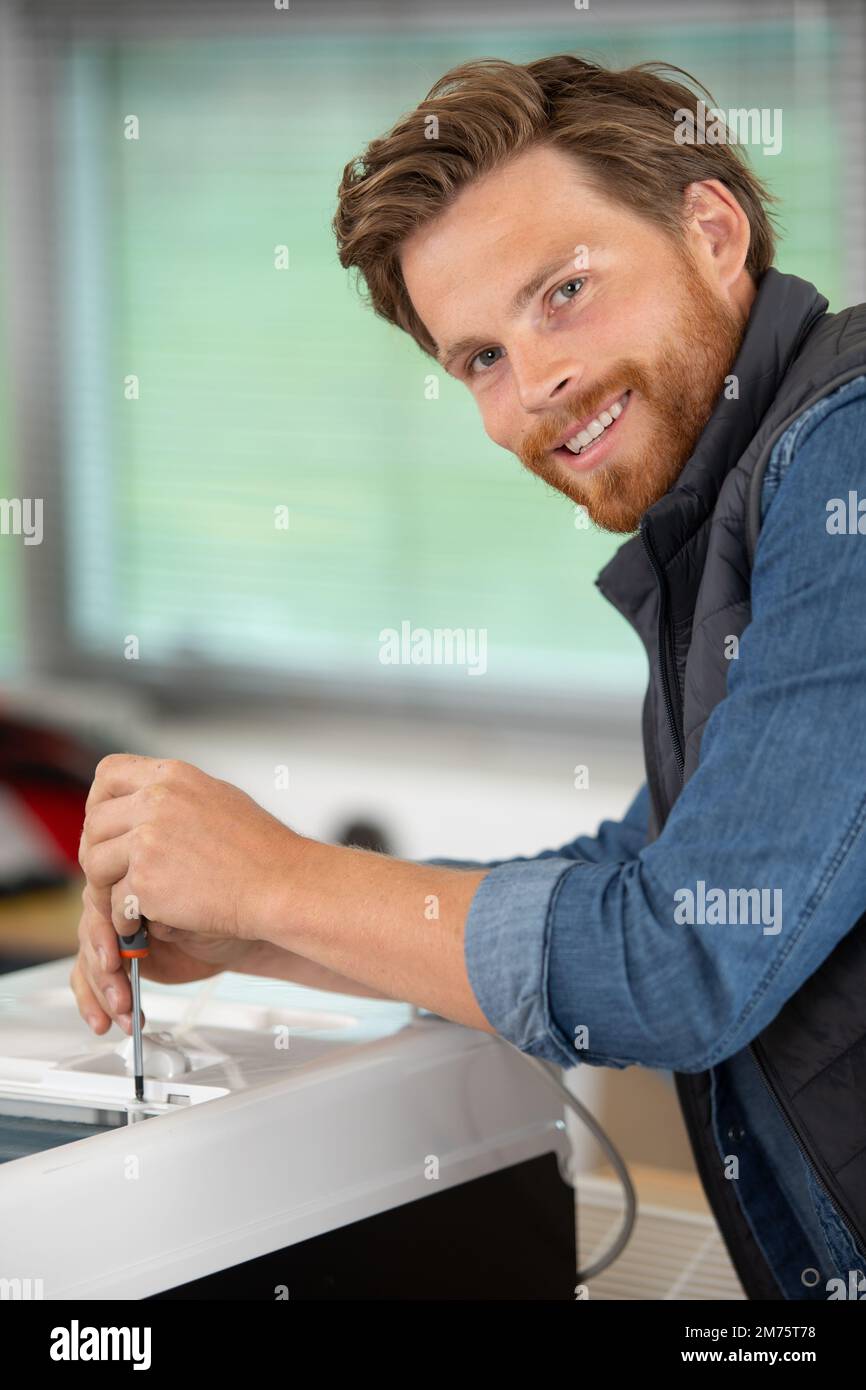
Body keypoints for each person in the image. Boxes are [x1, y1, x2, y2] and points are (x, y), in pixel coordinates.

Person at [74, 54, 866, 1300]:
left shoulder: (845, 460)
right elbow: (630, 874)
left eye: (563, 291)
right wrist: (255, 926)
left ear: (711, 231)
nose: (533, 385)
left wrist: (281, 877)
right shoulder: (731, 515)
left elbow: (685, 958)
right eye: (479, 357)